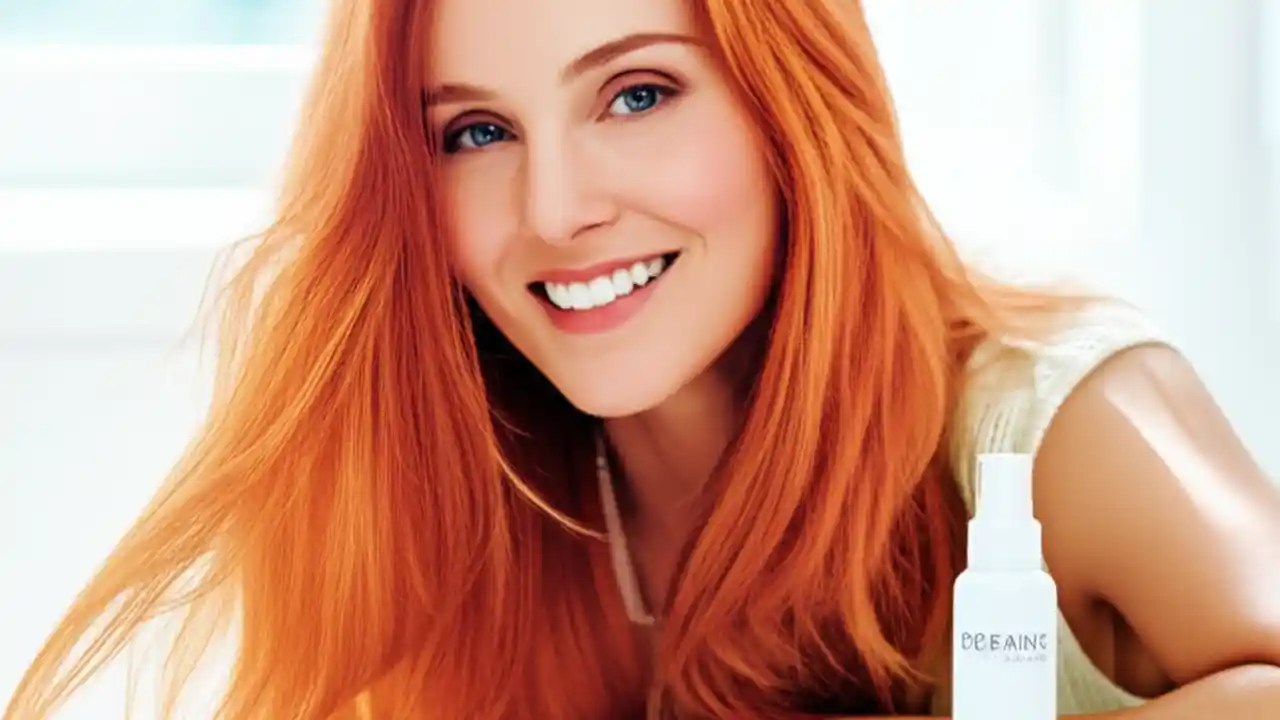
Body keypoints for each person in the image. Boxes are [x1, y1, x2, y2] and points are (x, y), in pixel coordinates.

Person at [7, 0, 1279, 718]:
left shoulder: (1063, 425)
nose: (554, 208)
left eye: (634, 96)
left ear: (790, 104)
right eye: (478, 132)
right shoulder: (472, 510)